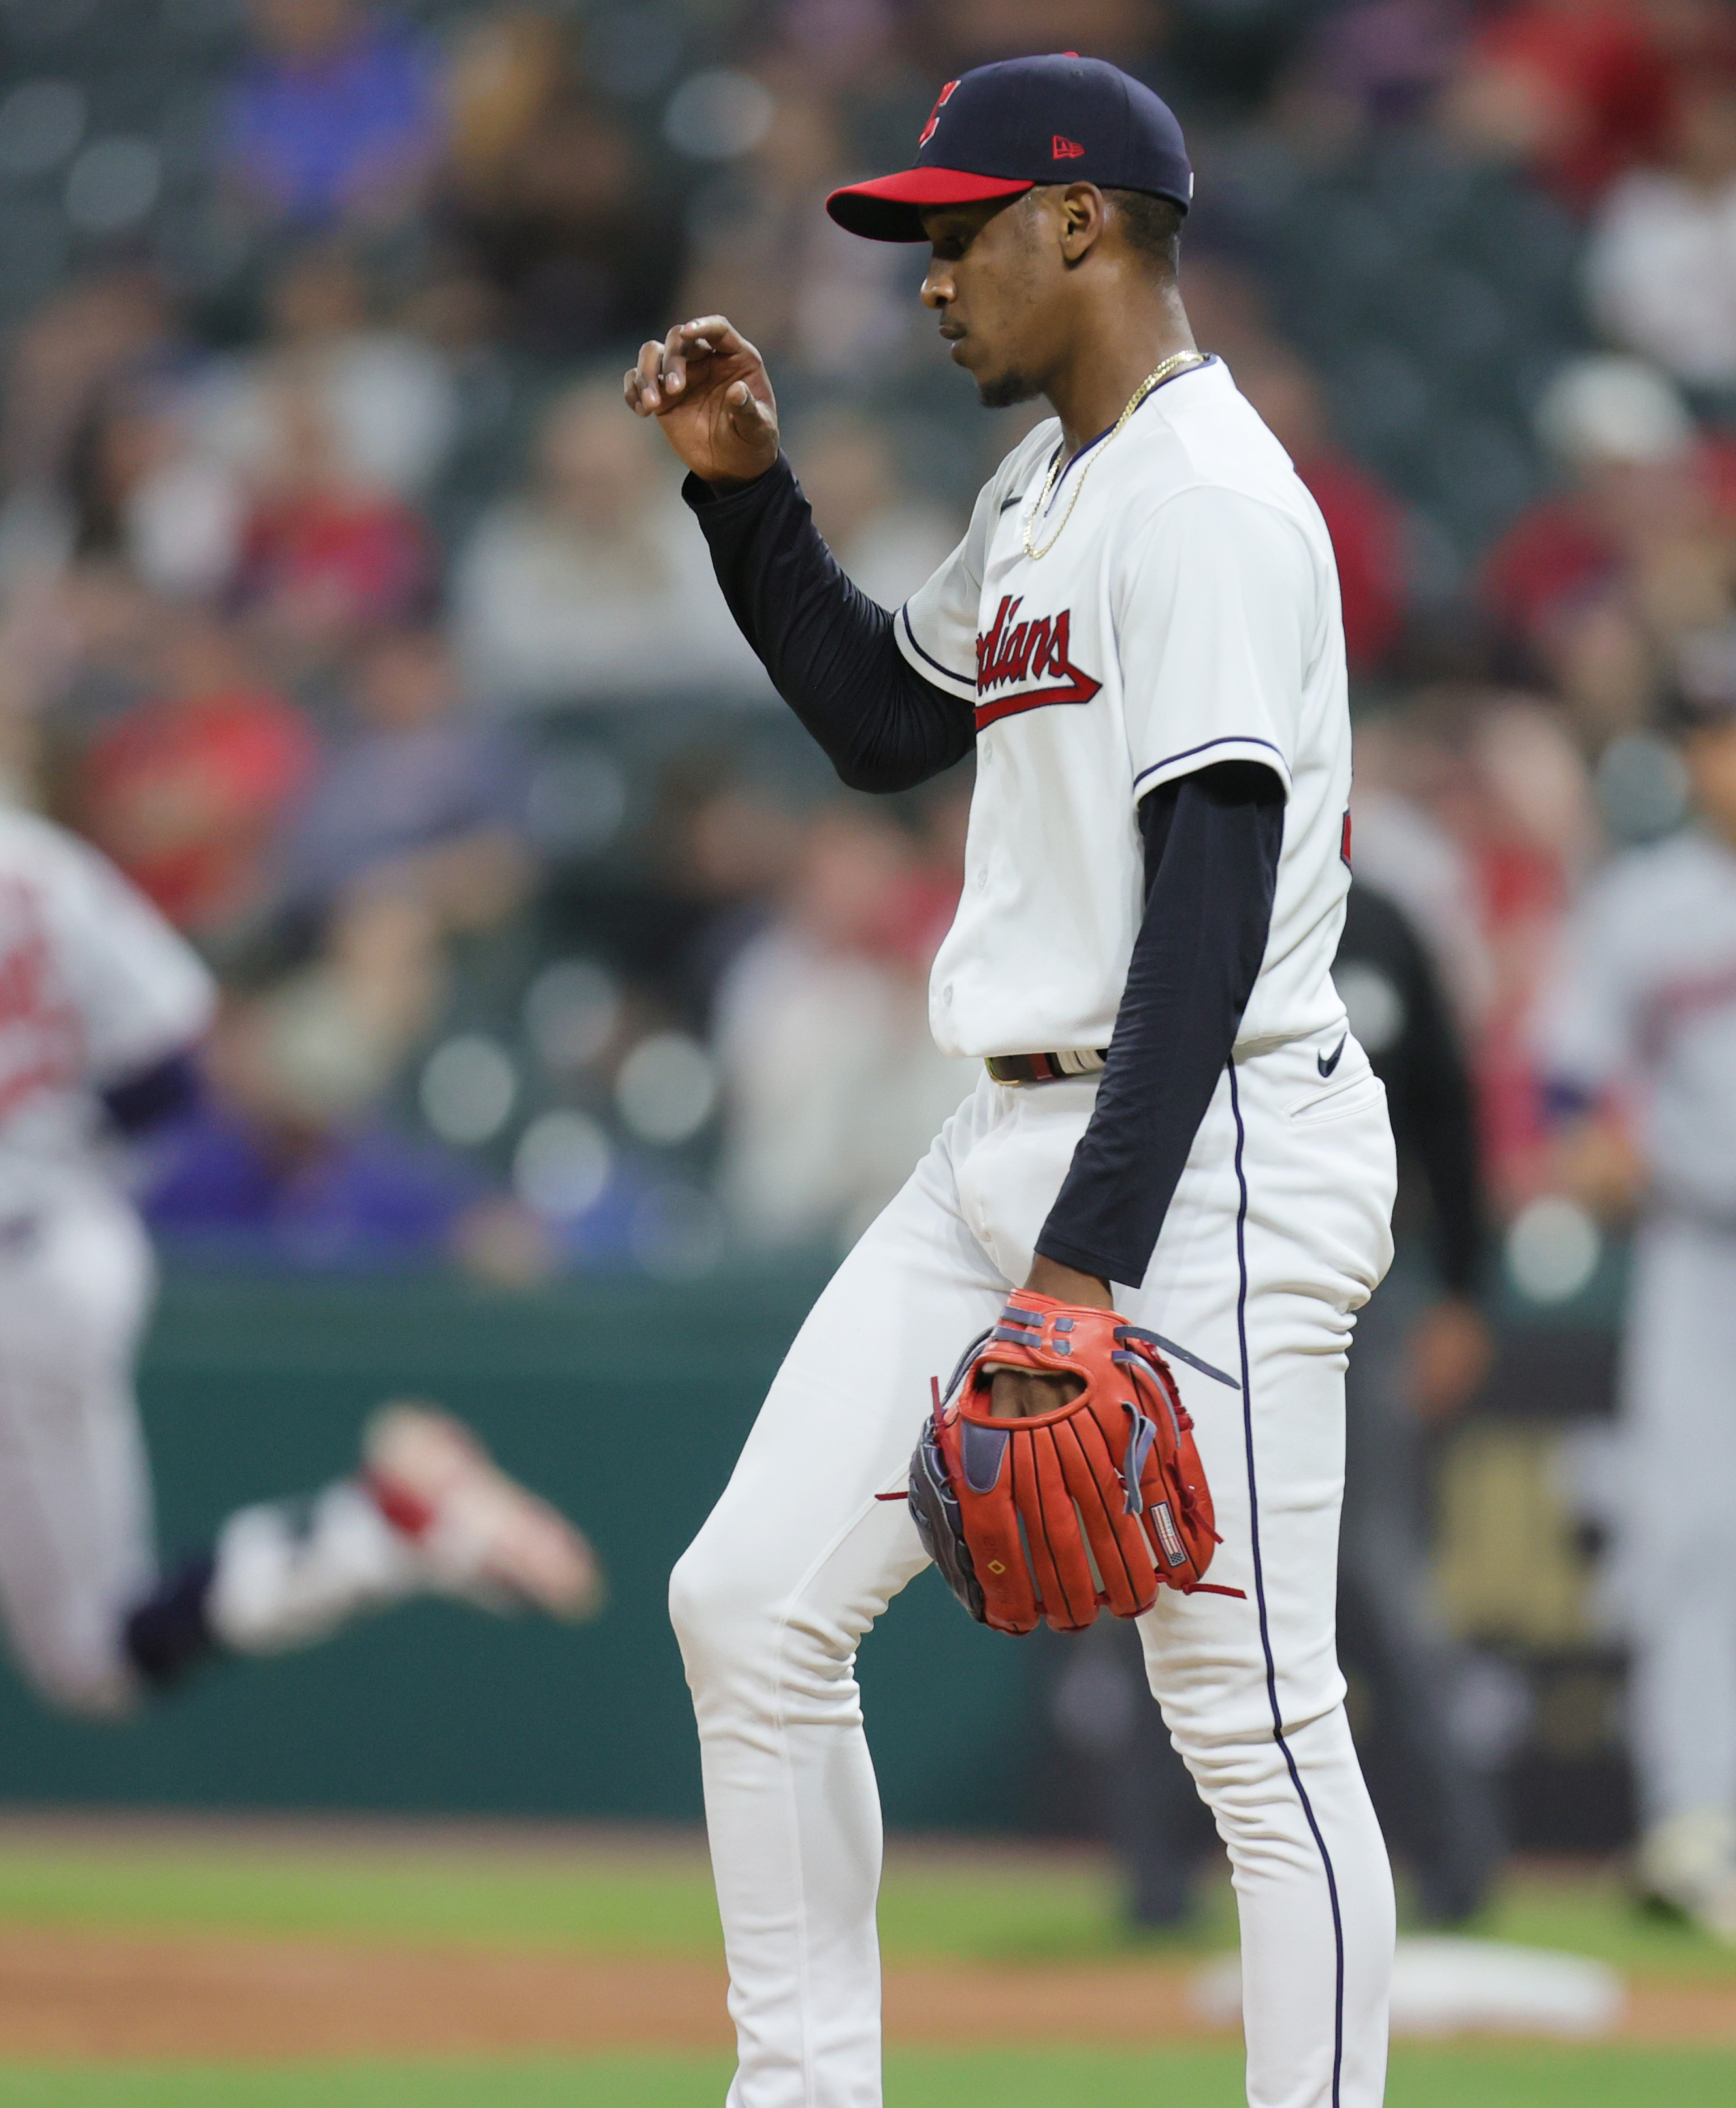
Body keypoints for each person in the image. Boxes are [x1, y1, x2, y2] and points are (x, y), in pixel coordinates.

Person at [629, 54, 1398, 2107]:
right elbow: (893, 722)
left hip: (1206, 1144)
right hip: (1020, 1135)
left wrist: (1086, 1261)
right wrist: (741, 487)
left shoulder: (1213, 501)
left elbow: (1213, 907)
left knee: (1252, 1723)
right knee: (751, 1603)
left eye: (957, 231)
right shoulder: (1052, 485)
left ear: (1081, 223)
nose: (928, 277)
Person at [0, 645, 602, 2021]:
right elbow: (172, 1068)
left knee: (96, 1658)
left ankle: (389, 1529)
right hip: (59, 1242)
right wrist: (44, 1152)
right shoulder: (18, 849)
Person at [1072, 878, 1502, 1935]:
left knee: (1368, 1575)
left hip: (1346, 1287)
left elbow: (1447, 1105)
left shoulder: (1387, 919)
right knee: (1161, 1558)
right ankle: (1157, 1883)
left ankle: (1458, 1863)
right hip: (1173, 1271)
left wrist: (1465, 1289)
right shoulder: (1164, 893)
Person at [1532, 643, 1736, 1943]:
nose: (1727, 757)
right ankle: (1693, 1821)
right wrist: (1585, 1142)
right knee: (1690, 1536)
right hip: (1696, 1247)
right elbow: (1563, 1075)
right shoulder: (1648, 901)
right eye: (1711, 733)